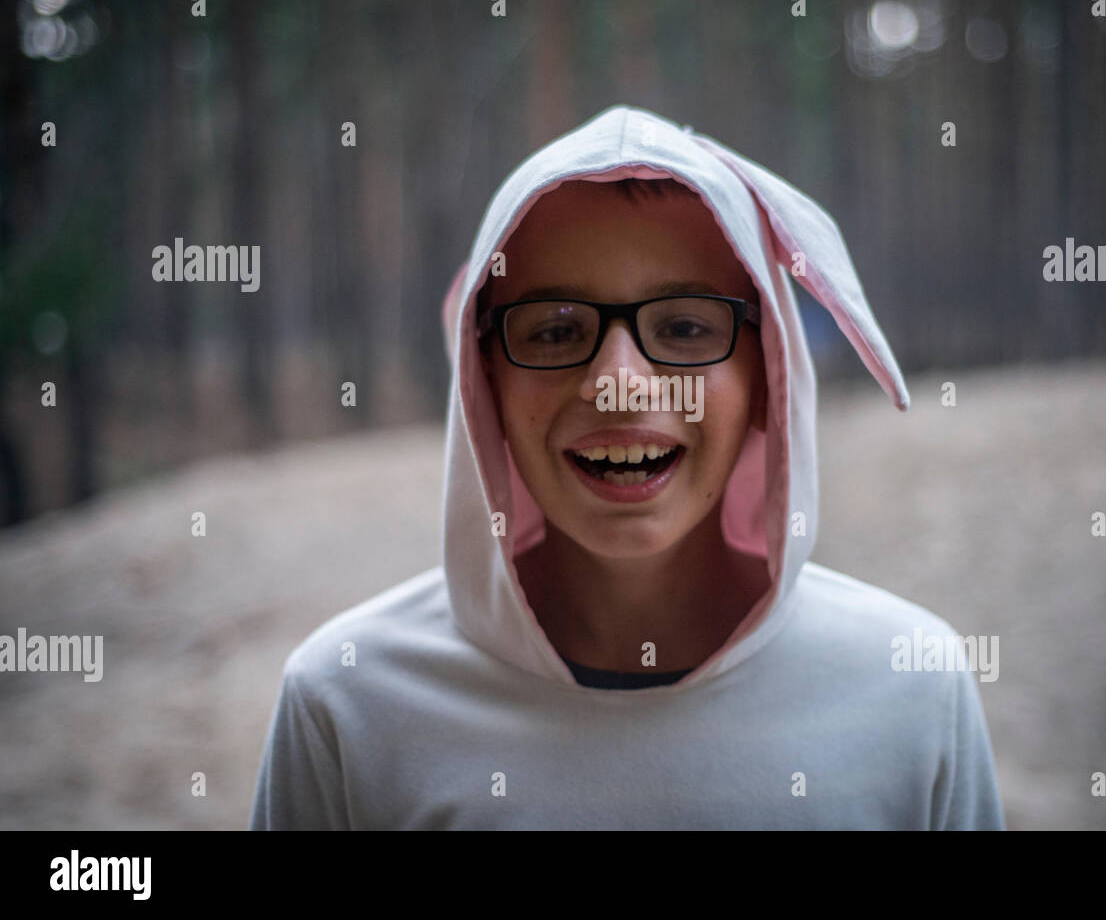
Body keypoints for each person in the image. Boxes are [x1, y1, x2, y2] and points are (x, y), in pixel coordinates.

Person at [249, 105, 1006, 829]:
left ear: (768, 379)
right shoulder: (347, 705)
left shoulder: (911, 687)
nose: (619, 383)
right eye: (553, 330)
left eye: (683, 326)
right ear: (485, 388)